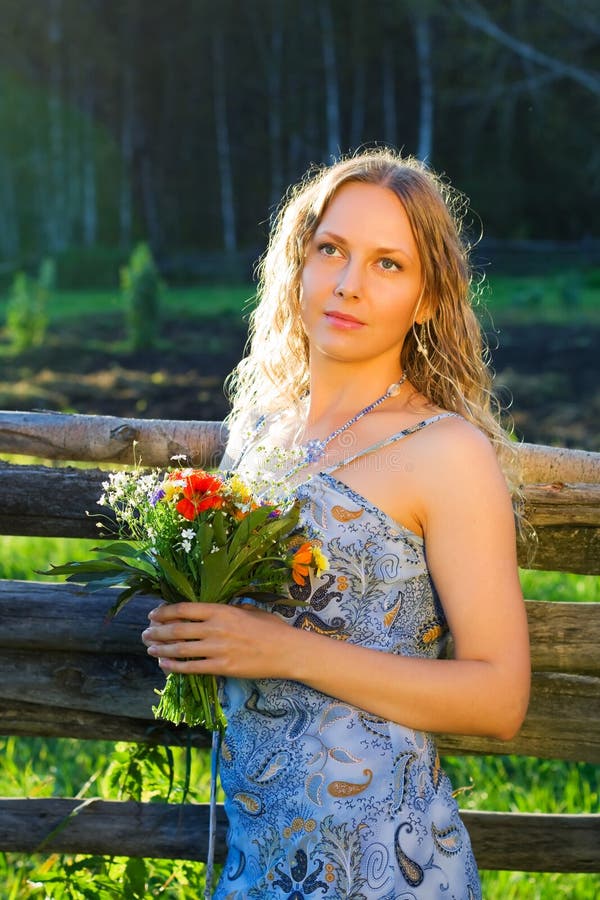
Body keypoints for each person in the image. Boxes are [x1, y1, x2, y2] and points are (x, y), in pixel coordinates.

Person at [142, 149, 531, 899]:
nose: (349, 284)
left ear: (425, 299)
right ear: (299, 264)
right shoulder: (260, 432)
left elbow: (499, 698)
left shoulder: (444, 450)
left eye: (388, 264)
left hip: (387, 867)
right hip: (259, 865)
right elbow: (252, 628)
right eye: (332, 250)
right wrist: (192, 628)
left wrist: (282, 649)